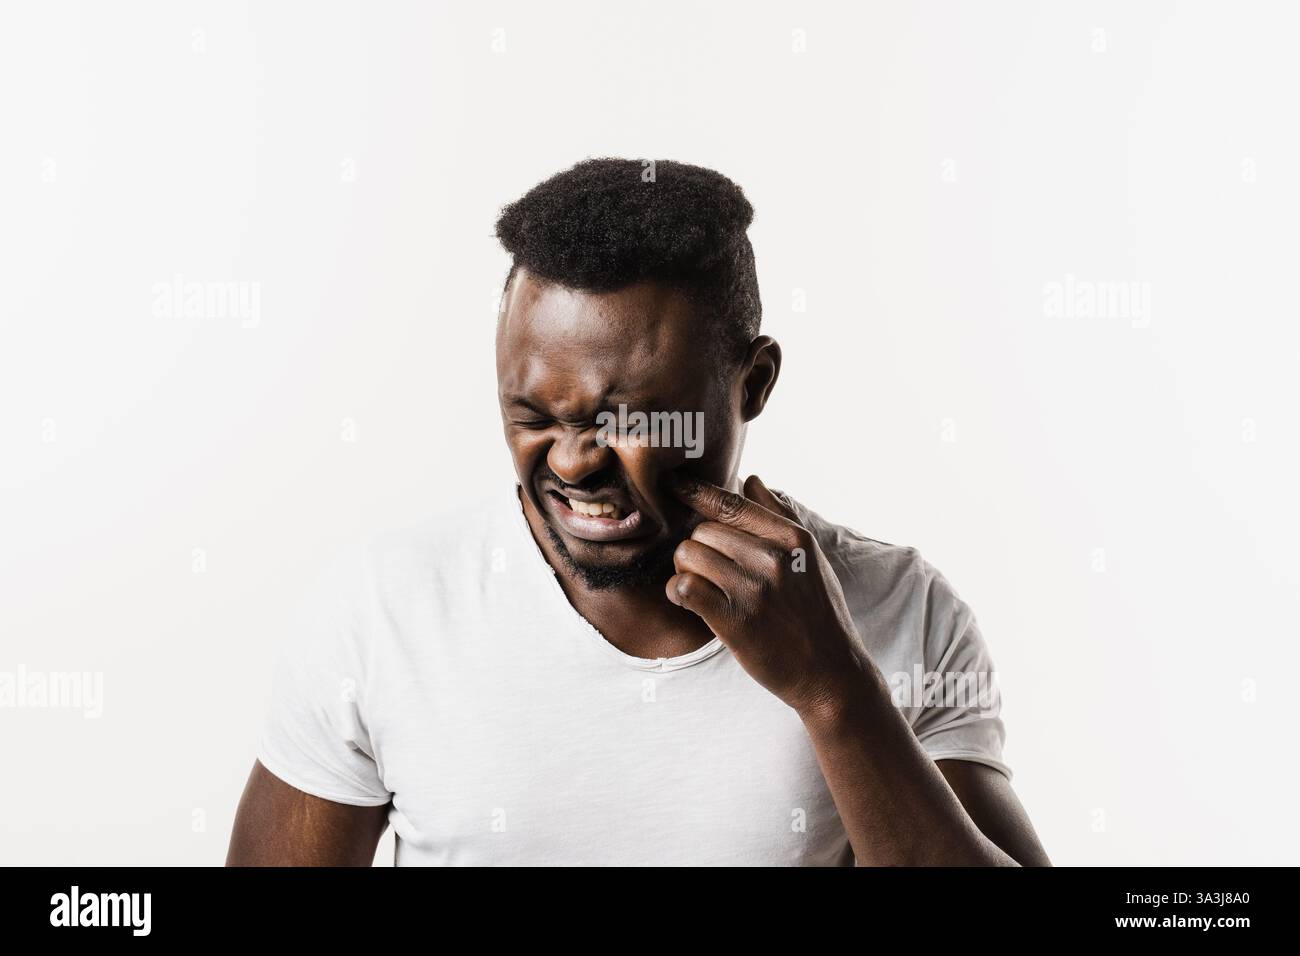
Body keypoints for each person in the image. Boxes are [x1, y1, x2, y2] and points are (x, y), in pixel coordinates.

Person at [226, 157, 1050, 866]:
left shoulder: (899, 609)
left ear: (753, 384)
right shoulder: (383, 611)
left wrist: (835, 690)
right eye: (536, 416)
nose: (576, 461)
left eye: (631, 420)